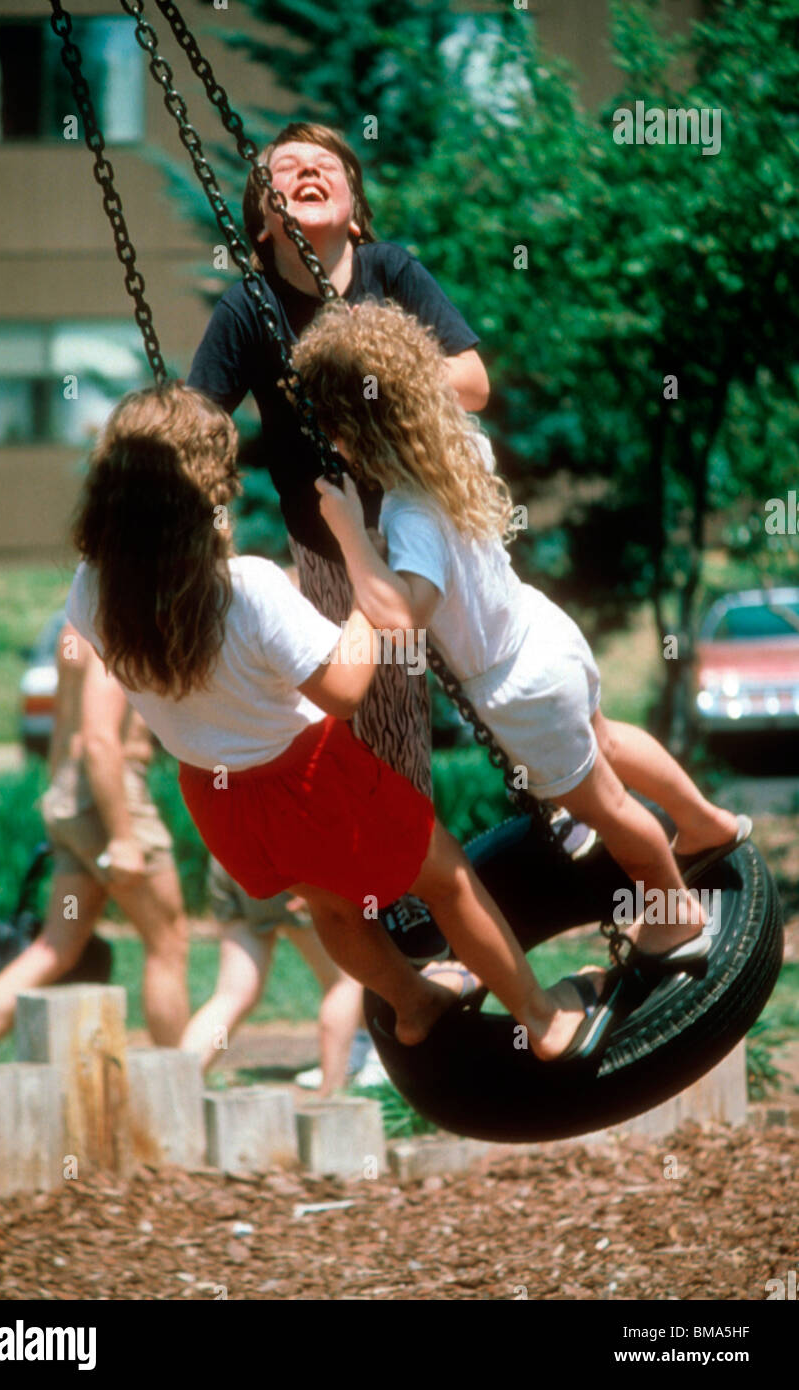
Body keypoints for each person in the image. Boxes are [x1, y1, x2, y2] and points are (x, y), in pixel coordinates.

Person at [63, 380, 623, 1064]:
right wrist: (372, 590)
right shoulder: (248, 591)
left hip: (222, 799)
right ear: (209, 488)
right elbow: (344, 690)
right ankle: (542, 1021)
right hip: (311, 776)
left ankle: (415, 1005)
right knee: (447, 879)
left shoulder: (91, 591)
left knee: (332, 908)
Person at [291, 300, 753, 970]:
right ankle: (706, 822)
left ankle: (675, 916)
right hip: (546, 631)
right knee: (608, 736)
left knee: (605, 806)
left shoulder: (411, 512)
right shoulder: (458, 445)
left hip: (520, 685)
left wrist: (351, 538)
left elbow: (402, 615)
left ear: (344, 432)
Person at [187, 121, 488, 810]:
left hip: (426, 519)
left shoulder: (391, 271)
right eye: (284, 170)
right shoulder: (249, 307)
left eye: (325, 165)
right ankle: (403, 879)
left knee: (492, 663)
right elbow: (201, 417)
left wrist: (380, 376)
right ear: (262, 227)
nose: (306, 173)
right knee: (382, 717)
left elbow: (473, 382)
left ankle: (556, 800)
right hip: (330, 543)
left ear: (355, 216)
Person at [0, 623, 189, 1105]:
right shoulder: (115, 631)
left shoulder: (74, 629)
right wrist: (121, 837)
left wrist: (59, 805)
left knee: (57, 946)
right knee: (168, 941)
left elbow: (63, 729)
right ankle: (178, 1092)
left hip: (72, 796)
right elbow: (100, 742)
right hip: (110, 796)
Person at [181, 857, 367, 1096]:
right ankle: (331, 1097)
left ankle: (175, 1088)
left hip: (228, 859)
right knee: (344, 981)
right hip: (286, 862)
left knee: (232, 994)